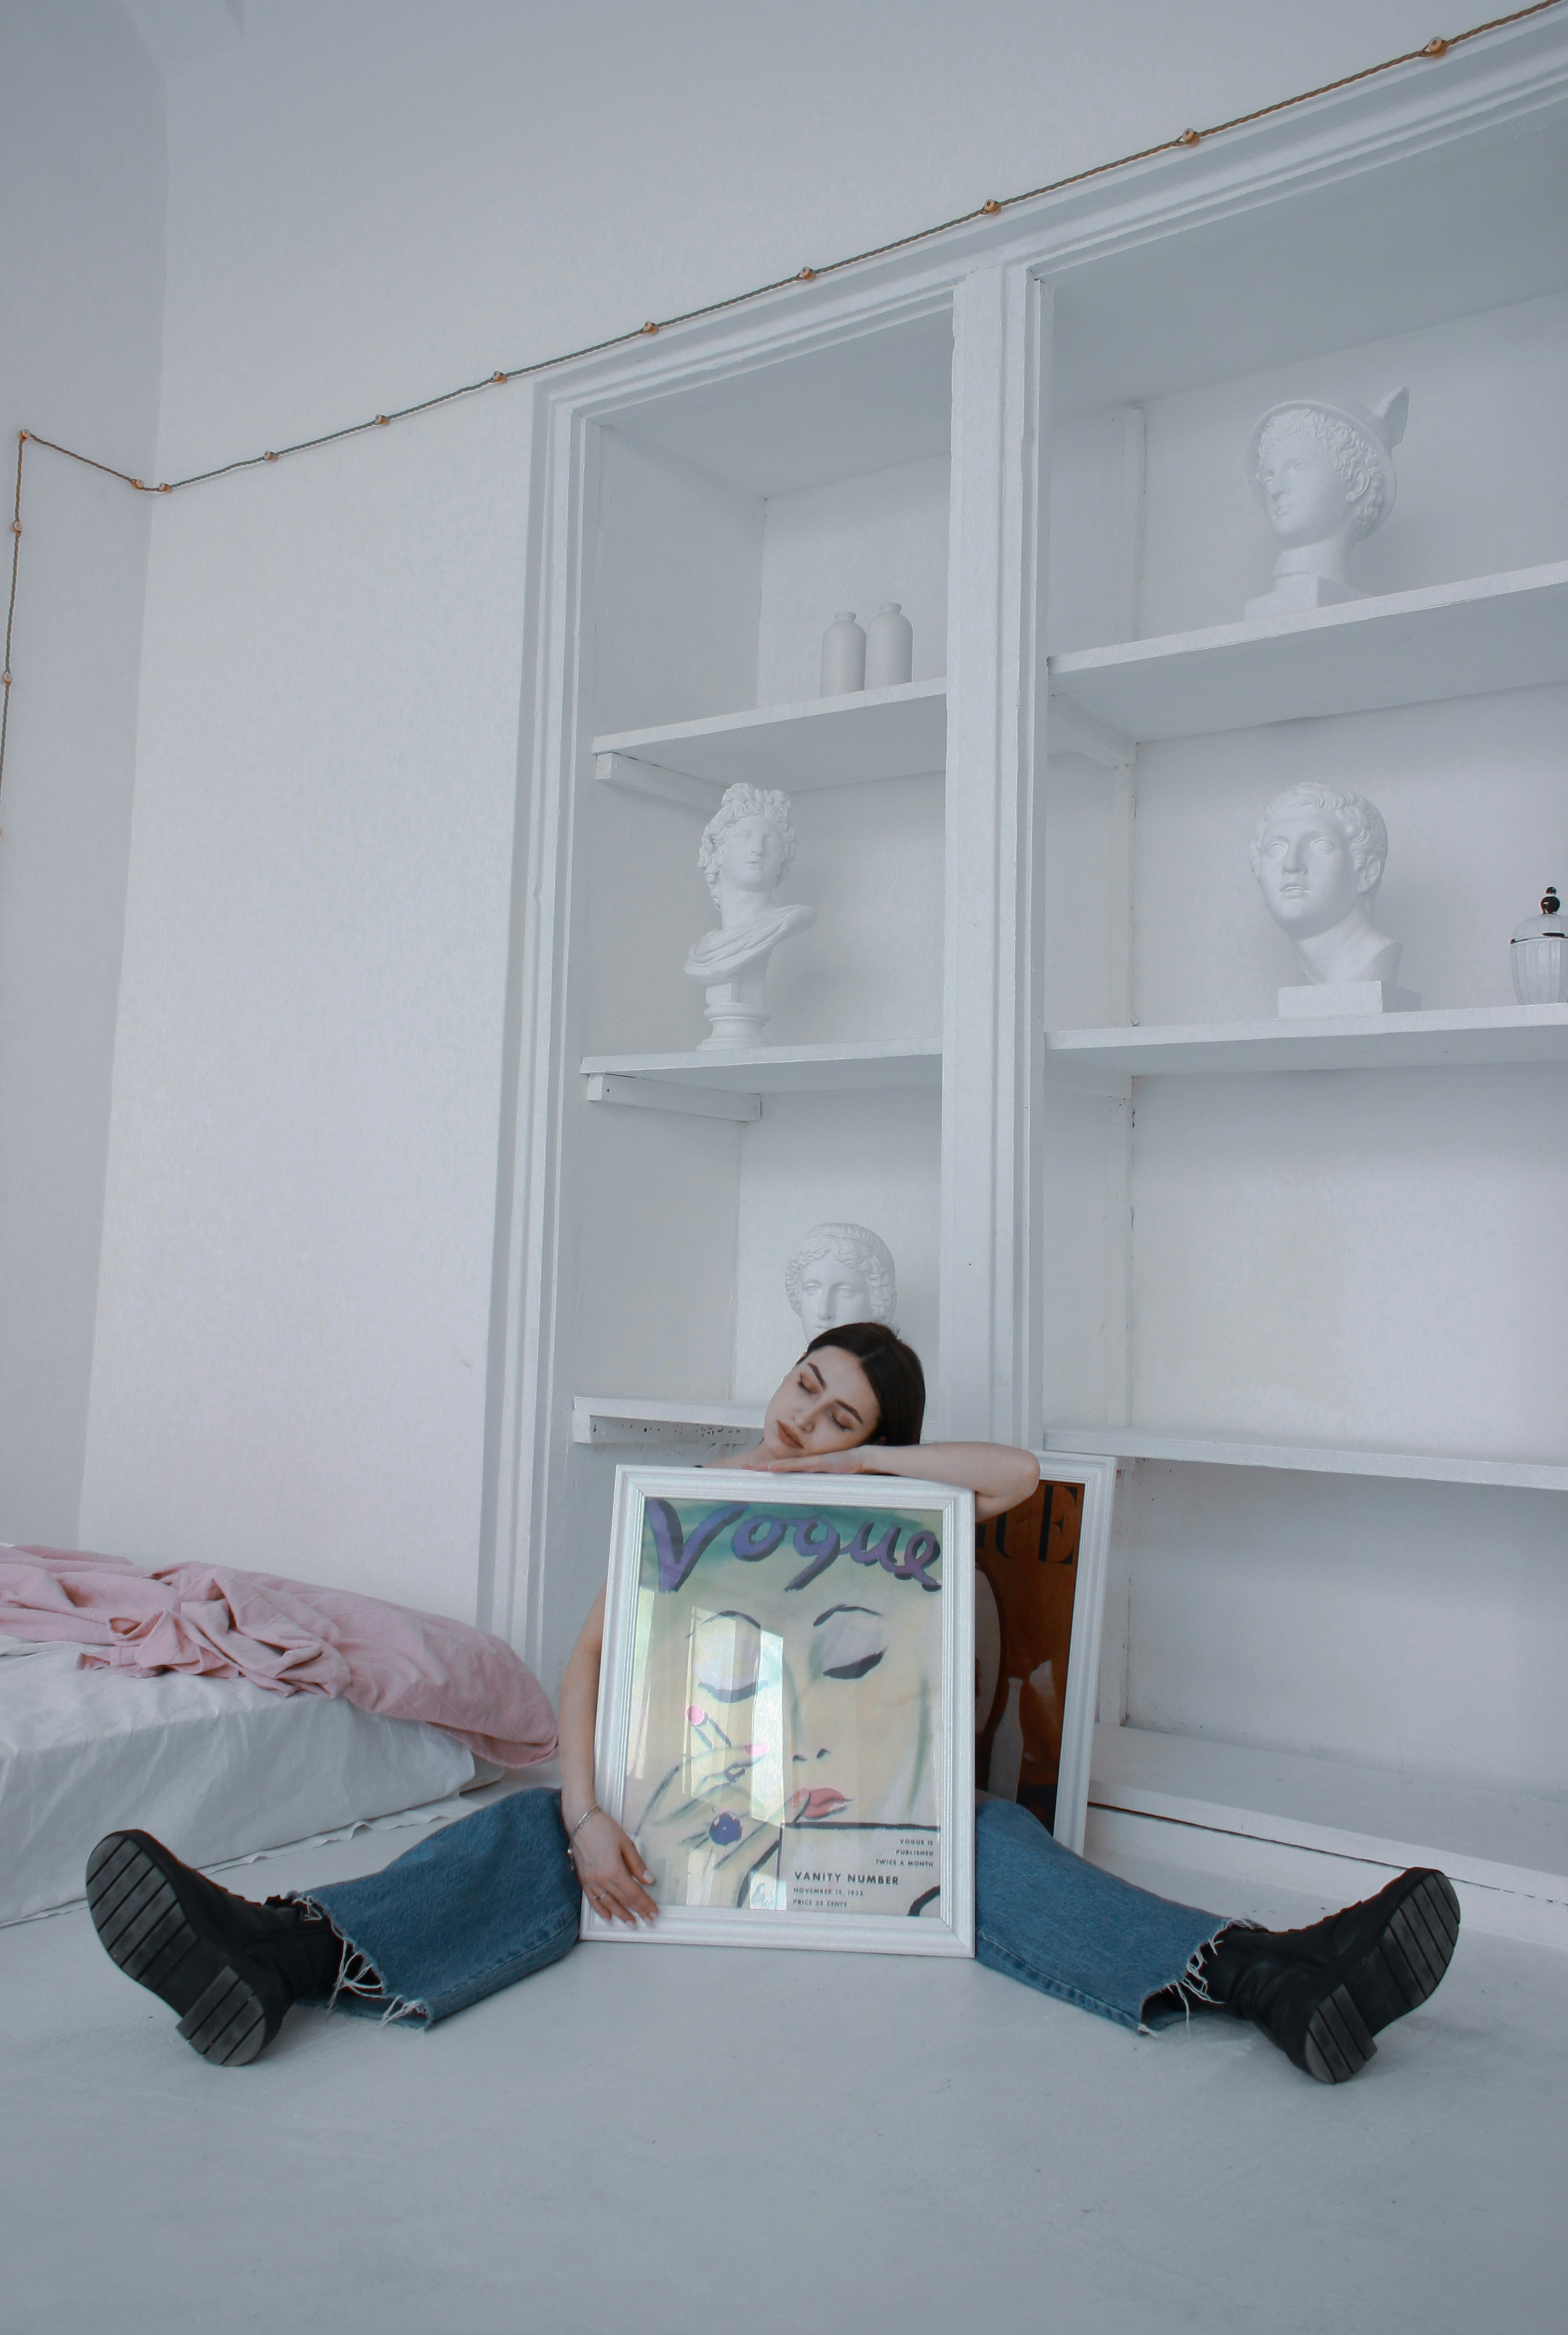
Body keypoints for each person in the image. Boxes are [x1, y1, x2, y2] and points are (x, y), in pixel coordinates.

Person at [85, 1322, 1459, 2084]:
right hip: (674, 1794)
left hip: (849, 1813)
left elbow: (1011, 1471)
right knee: (521, 1838)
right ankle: (277, 1958)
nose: (807, 1415)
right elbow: (587, 1662)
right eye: (807, 1382)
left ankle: (1272, 1977)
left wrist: (858, 1471)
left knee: (982, 1845)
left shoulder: (888, 1490)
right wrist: (579, 1814)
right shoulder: (683, 1495)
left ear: (875, 1438)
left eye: (841, 1411)